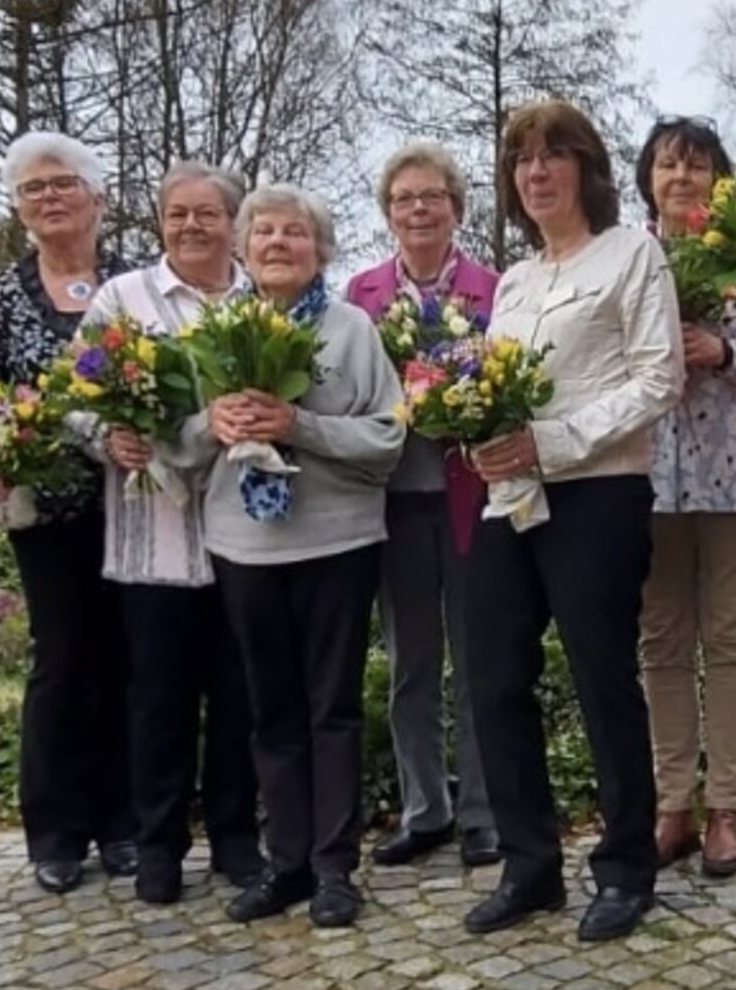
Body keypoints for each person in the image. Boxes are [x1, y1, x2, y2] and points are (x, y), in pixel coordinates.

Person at [461, 99, 683, 943]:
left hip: (598, 492)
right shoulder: (513, 281)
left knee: (601, 677)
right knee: (493, 677)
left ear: (586, 168)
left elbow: (658, 379)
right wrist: (480, 433)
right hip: (511, 500)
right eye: (522, 160)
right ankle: (530, 864)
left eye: (554, 155)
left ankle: (627, 867)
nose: (537, 171)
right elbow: (494, 387)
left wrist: (548, 440)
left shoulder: (632, 253)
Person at [173, 184, 404, 928]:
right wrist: (213, 422)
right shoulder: (211, 334)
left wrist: (298, 424)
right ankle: (288, 862)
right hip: (244, 545)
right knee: (269, 711)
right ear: (241, 247)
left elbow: (387, 440)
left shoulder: (351, 330)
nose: (277, 242)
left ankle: (337, 867)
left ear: (321, 249)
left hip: (337, 542)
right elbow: (173, 449)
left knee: (330, 707)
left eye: (294, 232)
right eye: (263, 230)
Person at [84, 161, 263, 904]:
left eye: (207, 214)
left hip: (248, 536)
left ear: (233, 222)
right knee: (159, 699)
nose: (191, 226)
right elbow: (78, 396)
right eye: (176, 214)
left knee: (240, 695)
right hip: (153, 536)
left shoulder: (261, 302)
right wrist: (106, 435)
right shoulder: (123, 299)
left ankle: (235, 837)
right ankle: (159, 843)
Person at [0, 132, 134, 896]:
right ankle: (58, 829)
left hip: (139, 500)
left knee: (134, 658)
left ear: (97, 197)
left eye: (63, 184)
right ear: (18, 207)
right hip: (50, 505)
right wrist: (0, 463)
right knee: (64, 657)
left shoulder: (133, 284)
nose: (49, 198)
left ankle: (125, 819)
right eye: (33, 189)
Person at [344, 143, 500, 870]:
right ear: (388, 212)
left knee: (478, 655)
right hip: (394, 499)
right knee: (411, 660)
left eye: (431, 196)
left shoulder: (492, 287)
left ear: (455, 207)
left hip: (472, 494)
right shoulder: (363, 293)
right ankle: (423, 806)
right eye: (404, 198)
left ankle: (482, 811)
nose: (417, 209)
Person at [633, 116, 736, 877]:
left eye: (696, 167)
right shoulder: (630, 258)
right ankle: (672, 802)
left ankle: (727, 808)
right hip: (647, 474)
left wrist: (725, 351)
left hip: (732, 473)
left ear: (718, 179)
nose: (681, 178)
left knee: (733, 636)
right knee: (662, 640)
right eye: (668, 166)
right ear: (648, 178)